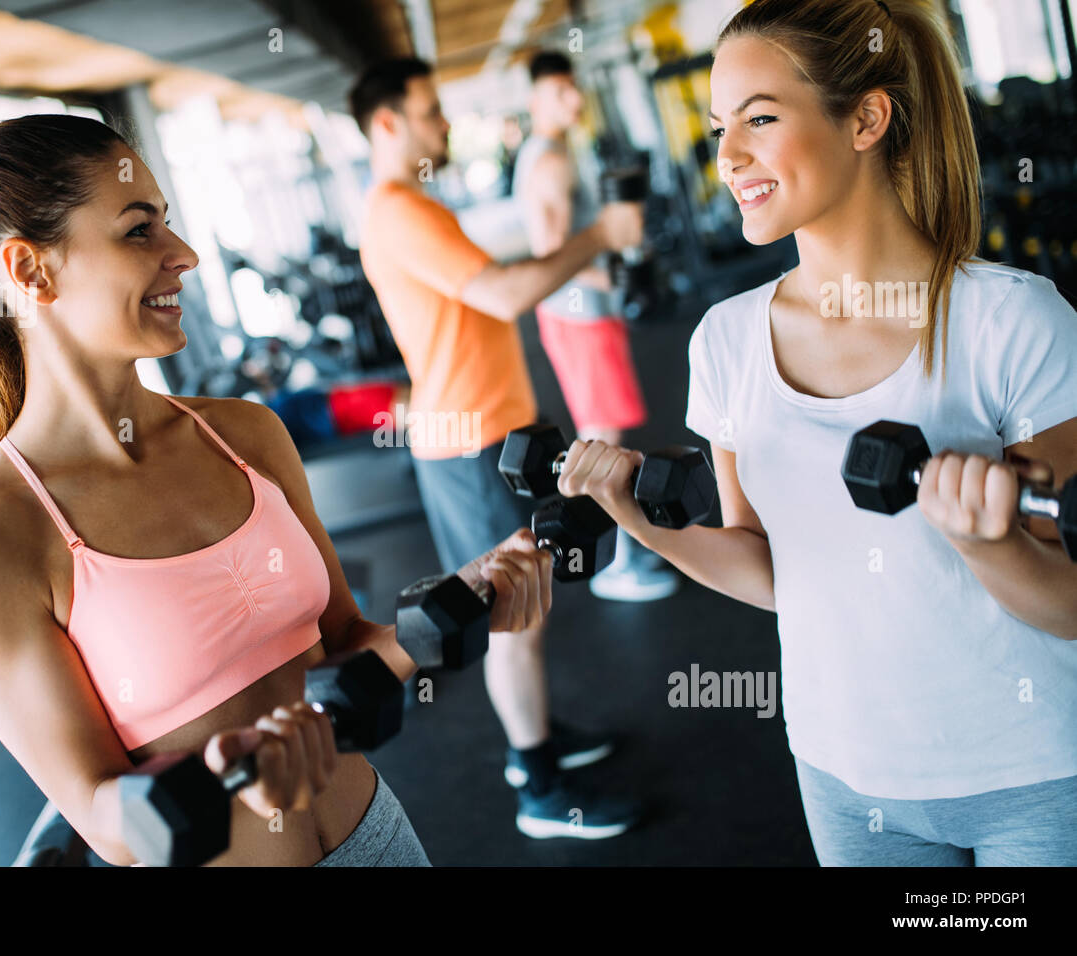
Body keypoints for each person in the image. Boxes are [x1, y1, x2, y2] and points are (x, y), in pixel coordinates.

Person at [0, 114, 553, 867]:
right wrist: (227, 777)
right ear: (31, 270)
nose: (185, 255)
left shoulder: (246, 435)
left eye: (168, 225)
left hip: (380, 838)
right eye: (139, 232)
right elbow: (99, 817)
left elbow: (347, 644)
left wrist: (469, 595)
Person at [556, 0, 1077, 865]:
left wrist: (988, 545)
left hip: (1029, 777)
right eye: (723, 126)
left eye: (760, 118)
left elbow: (1066, 604)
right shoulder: (725, 342)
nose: (727, 156)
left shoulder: (1012, 322)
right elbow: (770, 568)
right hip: (845, 779)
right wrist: (632, 514)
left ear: (867, 117)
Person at [349, 58, 644, 839]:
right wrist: (600, 235)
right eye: (428, 112)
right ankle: (538, 790)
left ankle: (539, 742)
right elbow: (508, 293)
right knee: (510, 608)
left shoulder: (413, 205)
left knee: (531, 597)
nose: (442, 125)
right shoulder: (399, 210)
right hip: (467, 438)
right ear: (387, 124)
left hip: (493, 427)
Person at [512, 50, 680, 603]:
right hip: (579, 313)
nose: (573, 99)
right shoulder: (552, 162)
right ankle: (609, 562)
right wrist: (619, 263)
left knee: (600, 435)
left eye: (573, 88)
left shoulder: (553, 150)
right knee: (602, 440)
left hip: (577, 312)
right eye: (559, 91)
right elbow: (549, 252)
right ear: (535, 97)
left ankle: (609, 552)